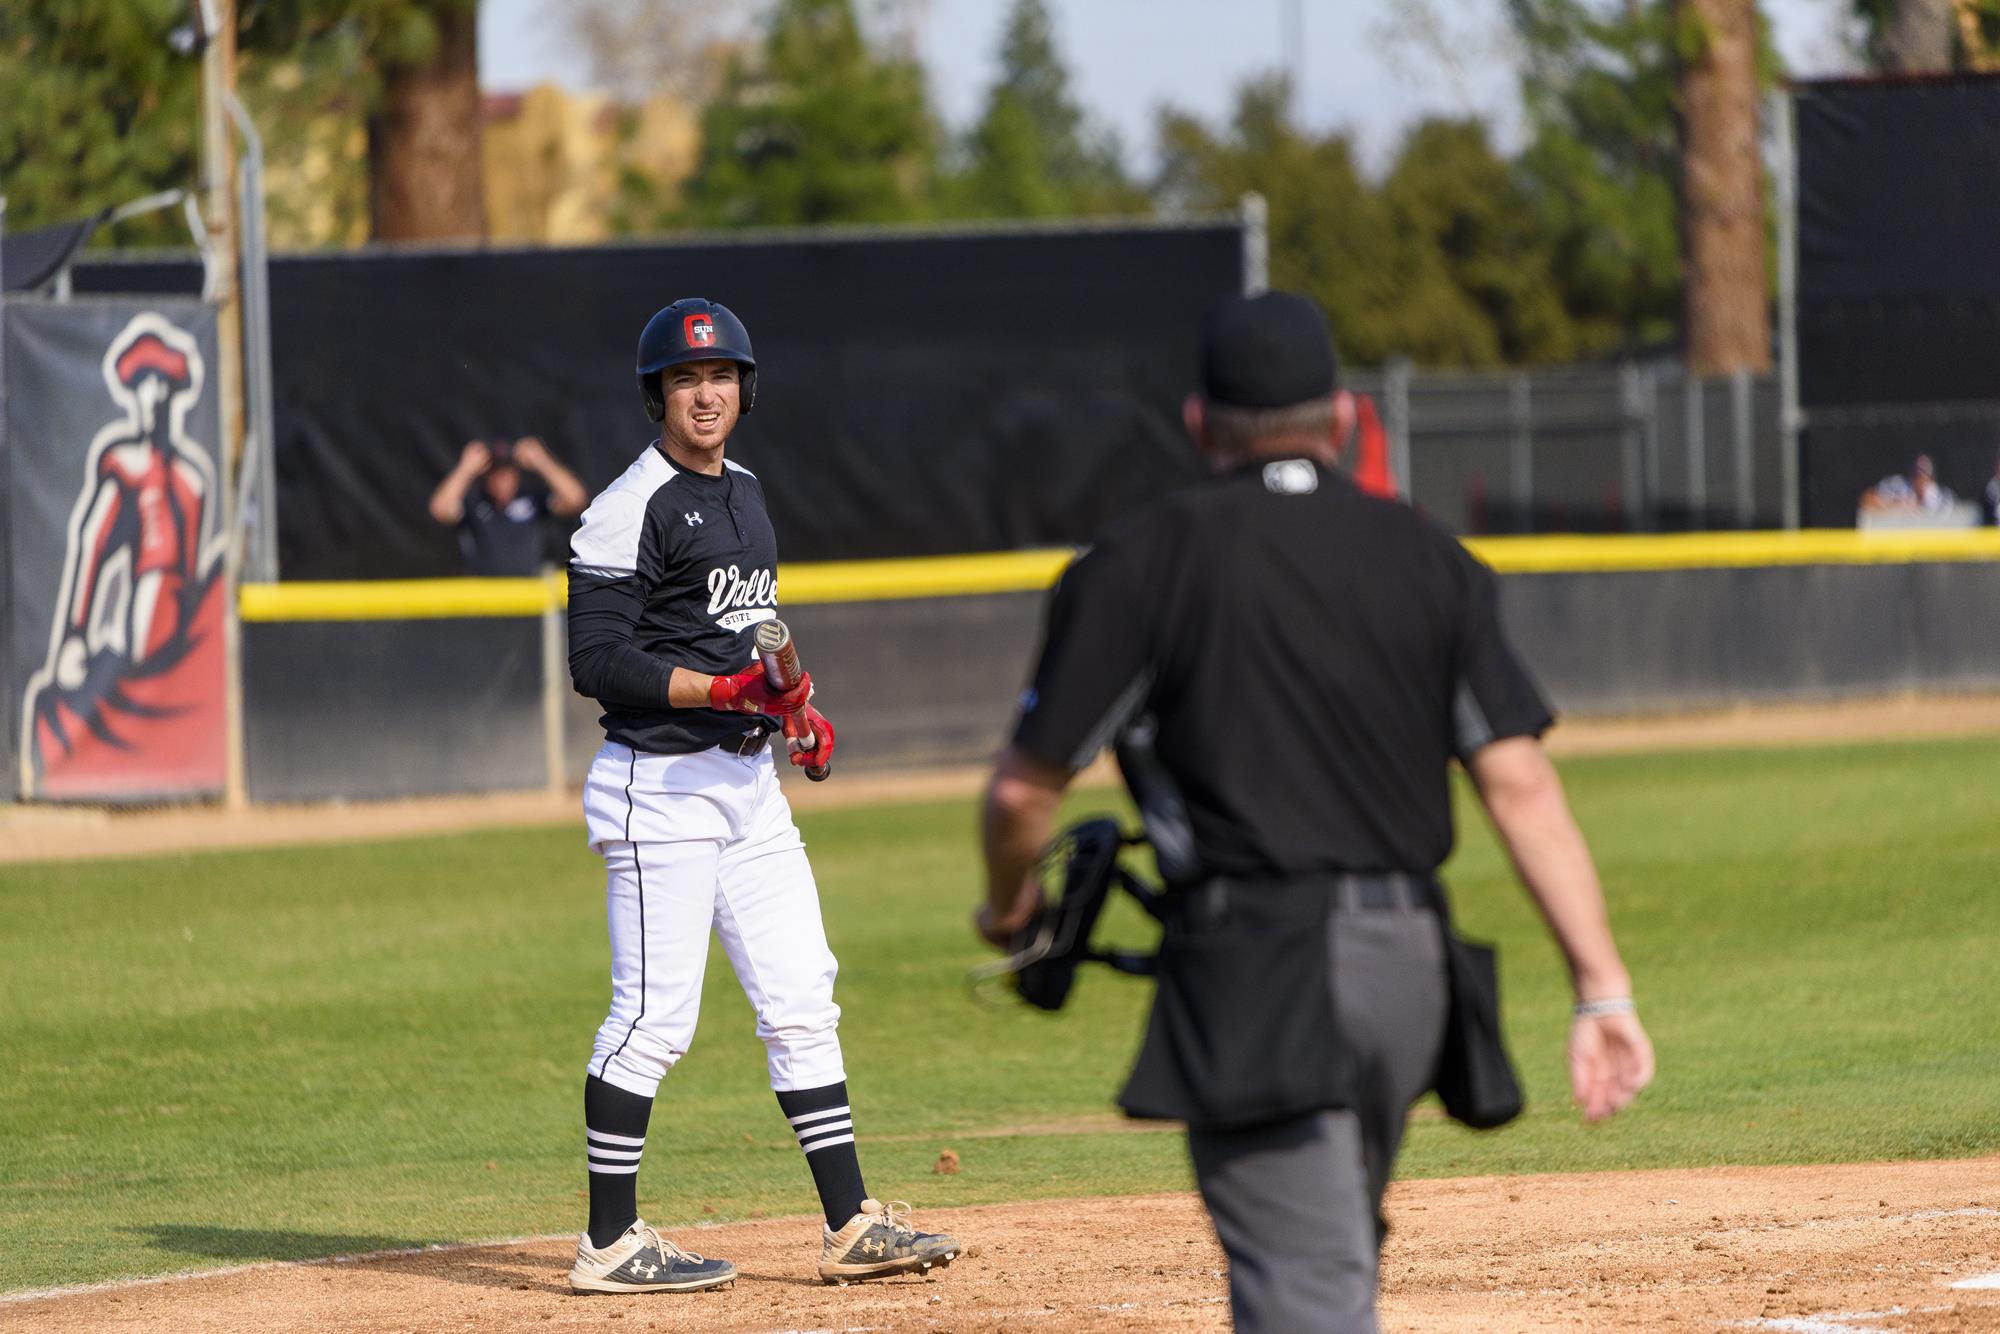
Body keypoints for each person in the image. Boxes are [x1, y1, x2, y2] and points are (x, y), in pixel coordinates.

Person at [977, 291, 1654, 1333]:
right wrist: (1598, 987)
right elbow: (1518, 784)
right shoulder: (1427, 554)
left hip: (1258, 968)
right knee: (1329, 1247)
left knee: (1309, 1294)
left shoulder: (1138, 559)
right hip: (1409, 974)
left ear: (1199, 422)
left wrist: (1009, 904)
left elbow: (1025, 790)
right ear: (1339, 416)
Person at [562, 298, 963, 1296]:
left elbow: (757, 636)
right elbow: (596, 657)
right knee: (652, 1016)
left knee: (800, 994)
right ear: (657, 393)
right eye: (687, 379)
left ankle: (849, 1221)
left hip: (746, 783)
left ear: (745, 388)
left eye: (722, 376)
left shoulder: (744, 491)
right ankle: (608, 1241)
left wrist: (794, 706)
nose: (707, 393)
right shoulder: (630, 503)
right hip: (660, 788)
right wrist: (725, 691)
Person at [428, 434, 588, 574]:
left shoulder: (532, 500)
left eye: (507, 474)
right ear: (486, 476)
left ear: (516, 475)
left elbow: (575, 499)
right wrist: (466, 468)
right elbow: (439, 509)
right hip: (483, 598)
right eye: (496, 475)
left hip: (529, 595)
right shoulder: (475, 503)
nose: (501, 481)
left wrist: (542, 461)